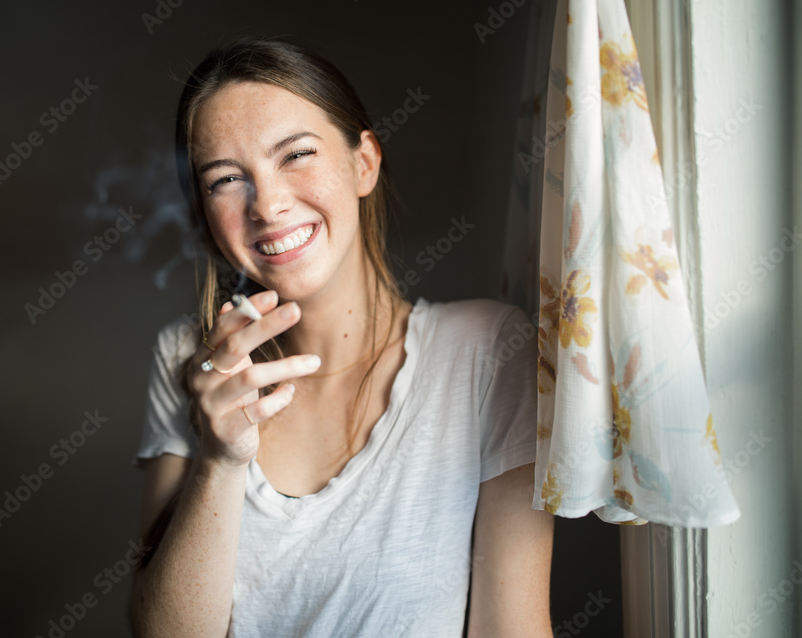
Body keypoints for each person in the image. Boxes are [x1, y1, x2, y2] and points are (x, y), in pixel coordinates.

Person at [130, 36, 553, 637]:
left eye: (296, 154)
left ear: (364, 163)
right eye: (226, 179)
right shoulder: (186, 358)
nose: (268, 205)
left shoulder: (487, 350)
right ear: (204, 211)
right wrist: (219, 460)